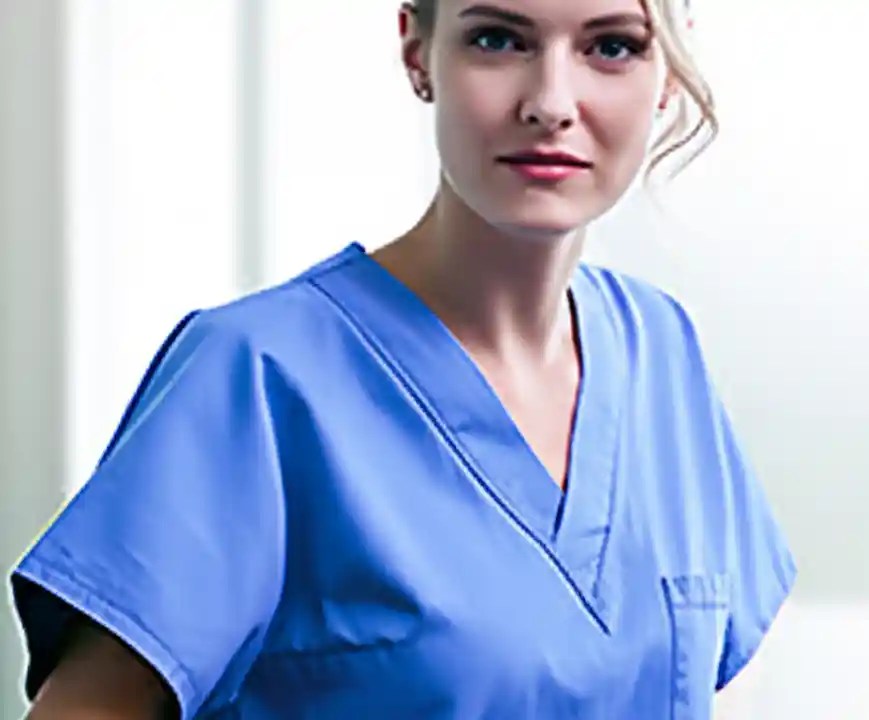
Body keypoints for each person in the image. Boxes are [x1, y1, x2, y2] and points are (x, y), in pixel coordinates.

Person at [10, 0, 796, 717]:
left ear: (667, 75)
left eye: (613, 47)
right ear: (418, 53)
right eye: (497, 40)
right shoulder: (258, 375)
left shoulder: (661, 350)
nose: (551, 103)